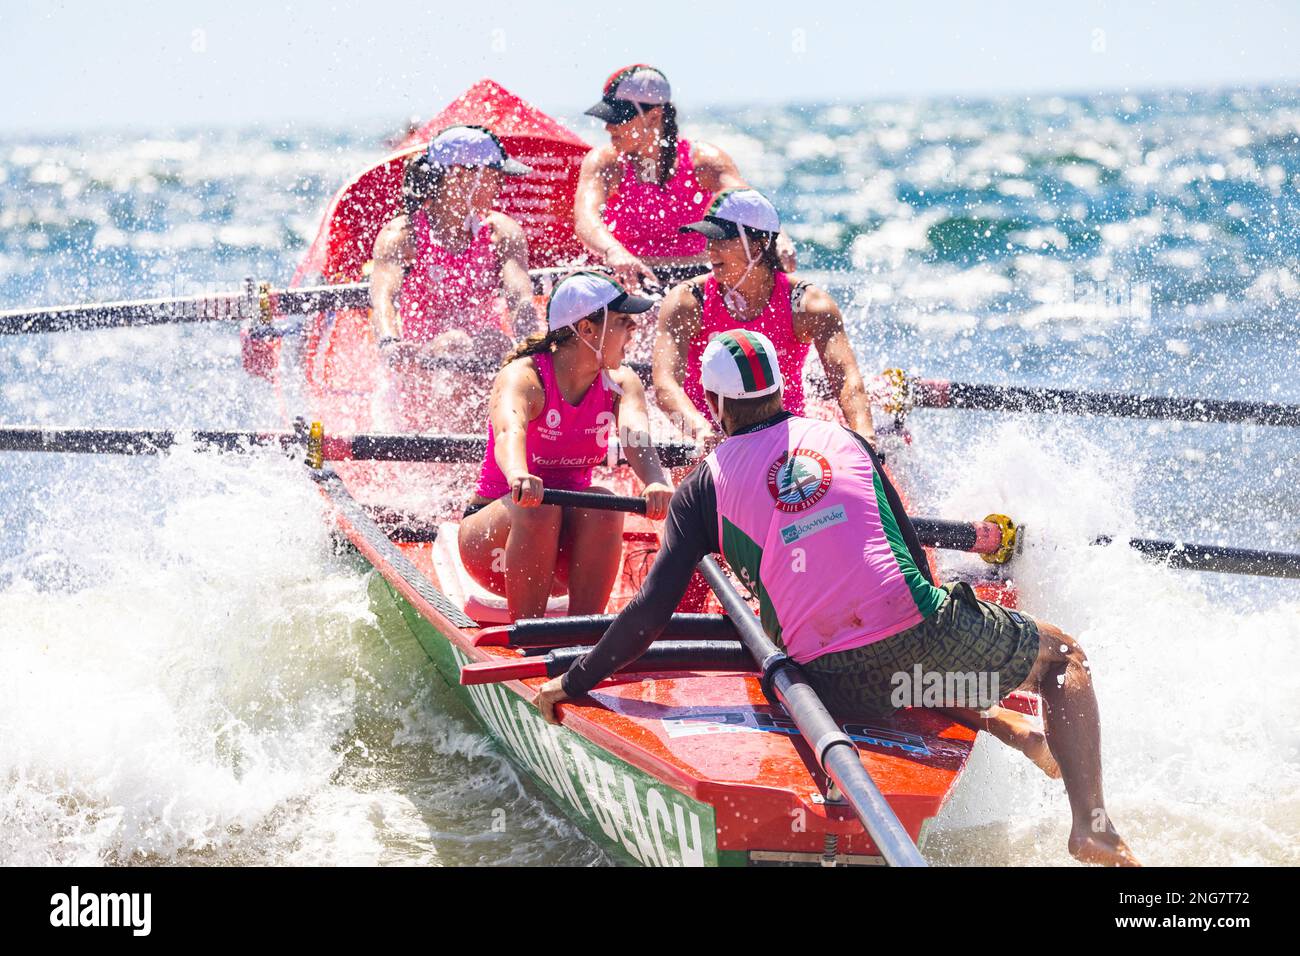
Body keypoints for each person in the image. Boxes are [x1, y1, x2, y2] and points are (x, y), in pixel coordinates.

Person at [536, 329, 1139, 867]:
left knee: (888, 661)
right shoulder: (848, 441)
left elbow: (647, 614)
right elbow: (911, 559)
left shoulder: (700, 487)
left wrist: (576, 680)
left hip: (821, 679)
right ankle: (1093, 827)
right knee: (1061, 661)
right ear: (778, 390)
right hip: (911, 641)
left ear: (715, 407)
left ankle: (1001, 723)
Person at [458, 272, 674, 621]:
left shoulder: (622, 382)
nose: (634, 329)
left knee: (606, 501)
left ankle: (583, 635)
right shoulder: (525, 376)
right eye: (622, 321)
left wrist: (655, 480)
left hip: (561, 555)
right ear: (586, 329)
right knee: (539, 506)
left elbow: (637, 437)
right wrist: (518, 475)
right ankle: (528, 637)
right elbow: (507, 432)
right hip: (492, 545)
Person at [654, 188, 877, 449]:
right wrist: (701, 431)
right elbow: (665, 385)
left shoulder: (809, 306)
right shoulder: (688, 302)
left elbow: (846, 379)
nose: (710, 251)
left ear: (759, 245)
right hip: (706, 438)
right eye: (708, 240)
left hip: (783, 439)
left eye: (722, 241)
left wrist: (865, 436)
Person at [575, 64, 794, 291]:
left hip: (696, 282)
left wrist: (779, 239)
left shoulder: (704, 162)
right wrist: (614, 251)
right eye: (606, 117)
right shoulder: (604, 163)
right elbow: (585, 219)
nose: (608, 127)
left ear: (653, 117)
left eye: (618, 118)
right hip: (629, 281)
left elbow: (749, 205)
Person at [370, 125, 540, 367]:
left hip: (485, 353)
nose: (500, 187)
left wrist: (533, 348)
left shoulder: (503, 232)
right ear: (459, 176)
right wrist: (390, 344)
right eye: (495, 176)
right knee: (454, 342)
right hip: (421, 364)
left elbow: (520, 300)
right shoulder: (401, 236)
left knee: (495, 341)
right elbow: (383, 301)